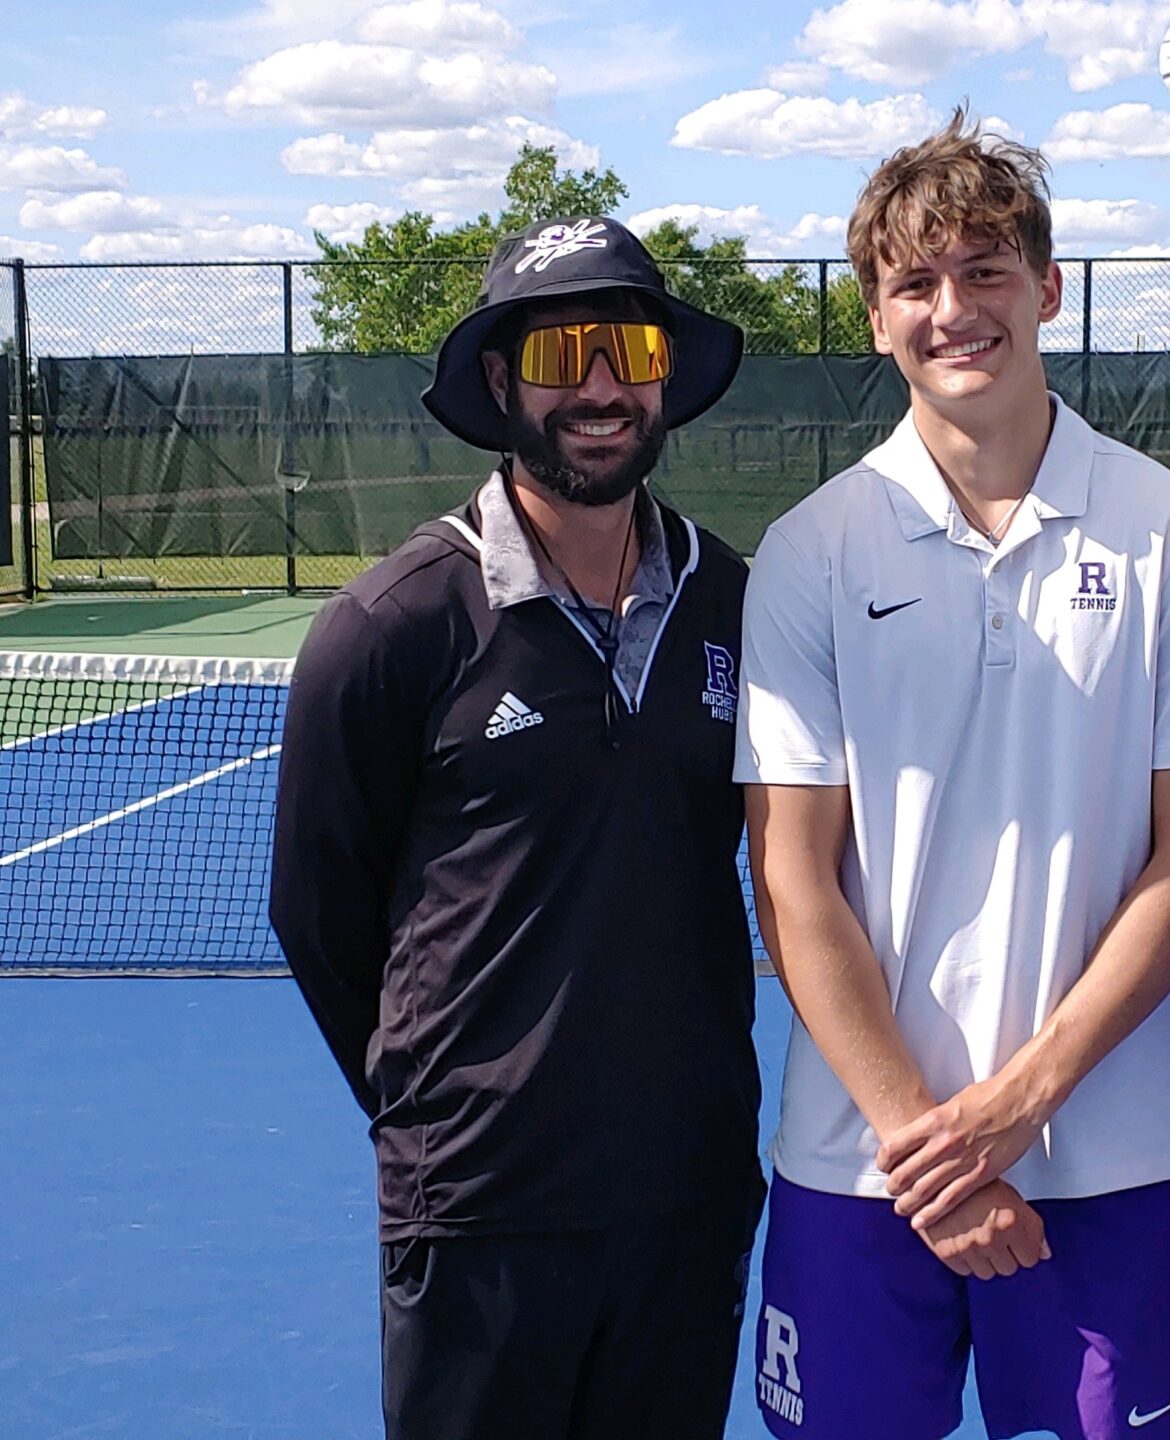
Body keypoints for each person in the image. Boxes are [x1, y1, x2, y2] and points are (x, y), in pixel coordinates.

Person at [734, 112, 1170, 1440]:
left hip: (1114, 1160)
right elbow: (793, 880)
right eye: (915, 283)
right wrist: (937, 1156)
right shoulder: (812, 551)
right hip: (862, 1169)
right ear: (874, 317)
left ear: (1048, 290)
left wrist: (1022, 1103)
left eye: (984, 271)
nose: (952, 310)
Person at [269, 215, 764, 1440]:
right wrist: (437, 1106)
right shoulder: (391, 627)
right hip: (480, 1209)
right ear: (502, 383)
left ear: (664, 374)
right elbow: (319, 914)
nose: (600, 385)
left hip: (686, 1195)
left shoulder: (739, 601)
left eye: (629, 345)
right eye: (562, 355)